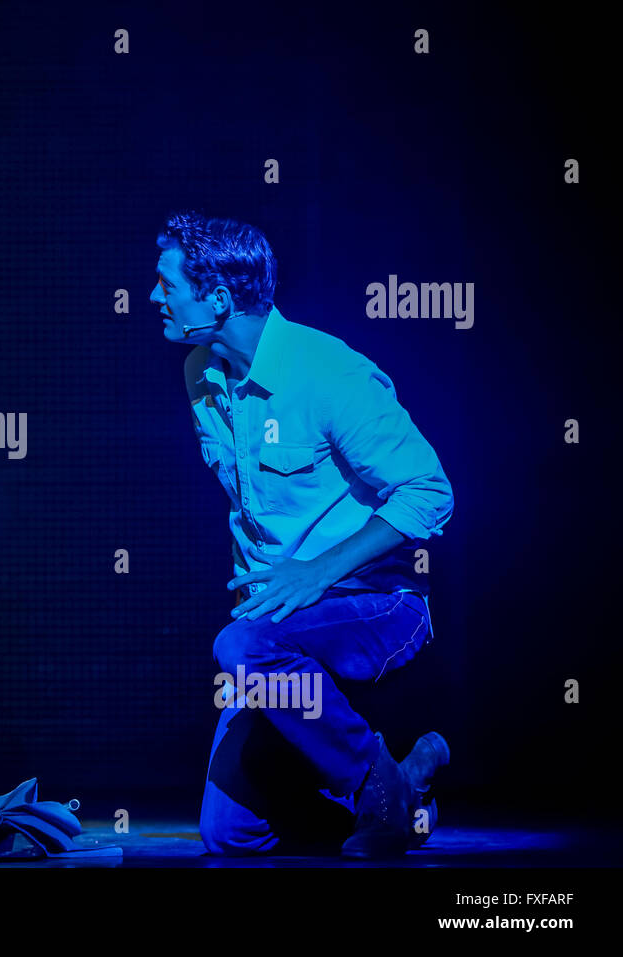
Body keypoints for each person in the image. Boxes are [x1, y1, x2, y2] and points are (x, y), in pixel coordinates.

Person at [149, 211, 454, 857]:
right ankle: (403, 788)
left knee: (242, 646)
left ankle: (377, 783)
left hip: (375, 602)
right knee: (231, 834)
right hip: (279, 622)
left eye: (167, 284)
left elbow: (430, 493)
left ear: (220, 298)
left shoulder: (329, 372)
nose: (154, 297)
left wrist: (319, 571)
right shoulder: (200, 373)